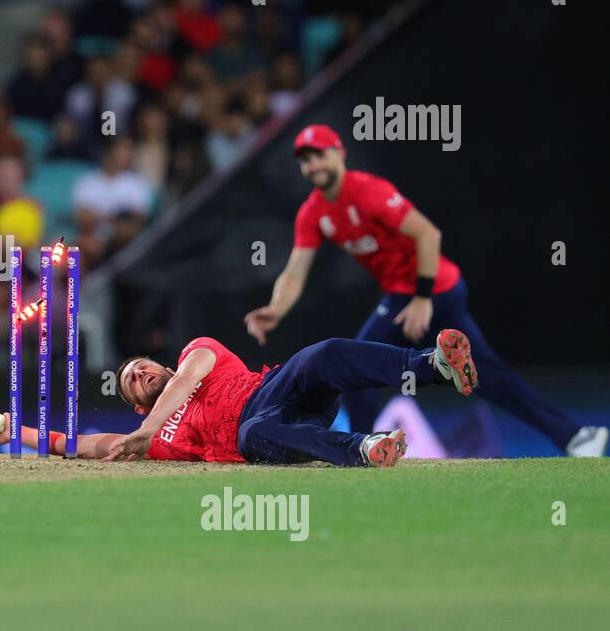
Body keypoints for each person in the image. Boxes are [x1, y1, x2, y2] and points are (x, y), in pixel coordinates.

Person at [243, 124, 607, 457]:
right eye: (305, 160)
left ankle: (361, 452)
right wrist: (276, 308)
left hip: (435, 290)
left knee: (352, 367)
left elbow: (427, 235)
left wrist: (422, 297)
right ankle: (575, 438)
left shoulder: (369, 191)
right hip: (405, 295)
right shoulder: (313, 212)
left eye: (320, 154)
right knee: (480, 375)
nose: (313, 165)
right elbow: (294, 273)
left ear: (340, 154)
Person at [0, 329, 480, 468]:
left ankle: (430, 366)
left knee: (321, 353)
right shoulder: (157, 438)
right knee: (252, 434)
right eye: (128, 382)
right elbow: (87, 444)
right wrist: (21, 432)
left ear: (162, 364)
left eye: (139, 366)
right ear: (137, 403)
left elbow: (186, 380)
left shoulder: (199, 353)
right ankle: (364, 450)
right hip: (264, 434)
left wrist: (148, 427)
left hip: (275, 391)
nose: (135, 372)